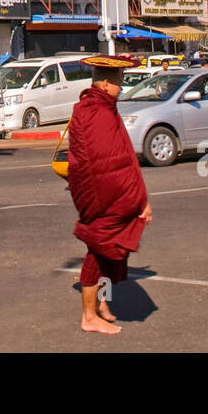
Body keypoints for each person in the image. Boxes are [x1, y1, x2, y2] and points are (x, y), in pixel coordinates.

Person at [66, 54, 151, 335]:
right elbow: (106, 163)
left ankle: (101, 304)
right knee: (99, 249)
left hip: (107, 193)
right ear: (104, 83)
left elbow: (120, 154)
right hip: (101, 195)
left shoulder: (99, 107)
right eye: (118, 83)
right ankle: (88, 317)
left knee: (112, 251)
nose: (121, 88)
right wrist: (135, 198)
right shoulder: (95, 112)